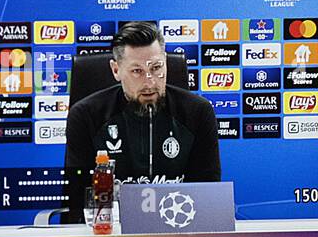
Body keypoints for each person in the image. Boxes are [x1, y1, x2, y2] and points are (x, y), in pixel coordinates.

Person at [63, 21, 221, 185]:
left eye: (156, 68)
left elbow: (208, 195)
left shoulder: (198, 112)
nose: (150, 83)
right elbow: (77, 197)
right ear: (116, 70)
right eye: (137, 71)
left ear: (165, 62)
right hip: (110, 211)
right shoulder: (85, 116)